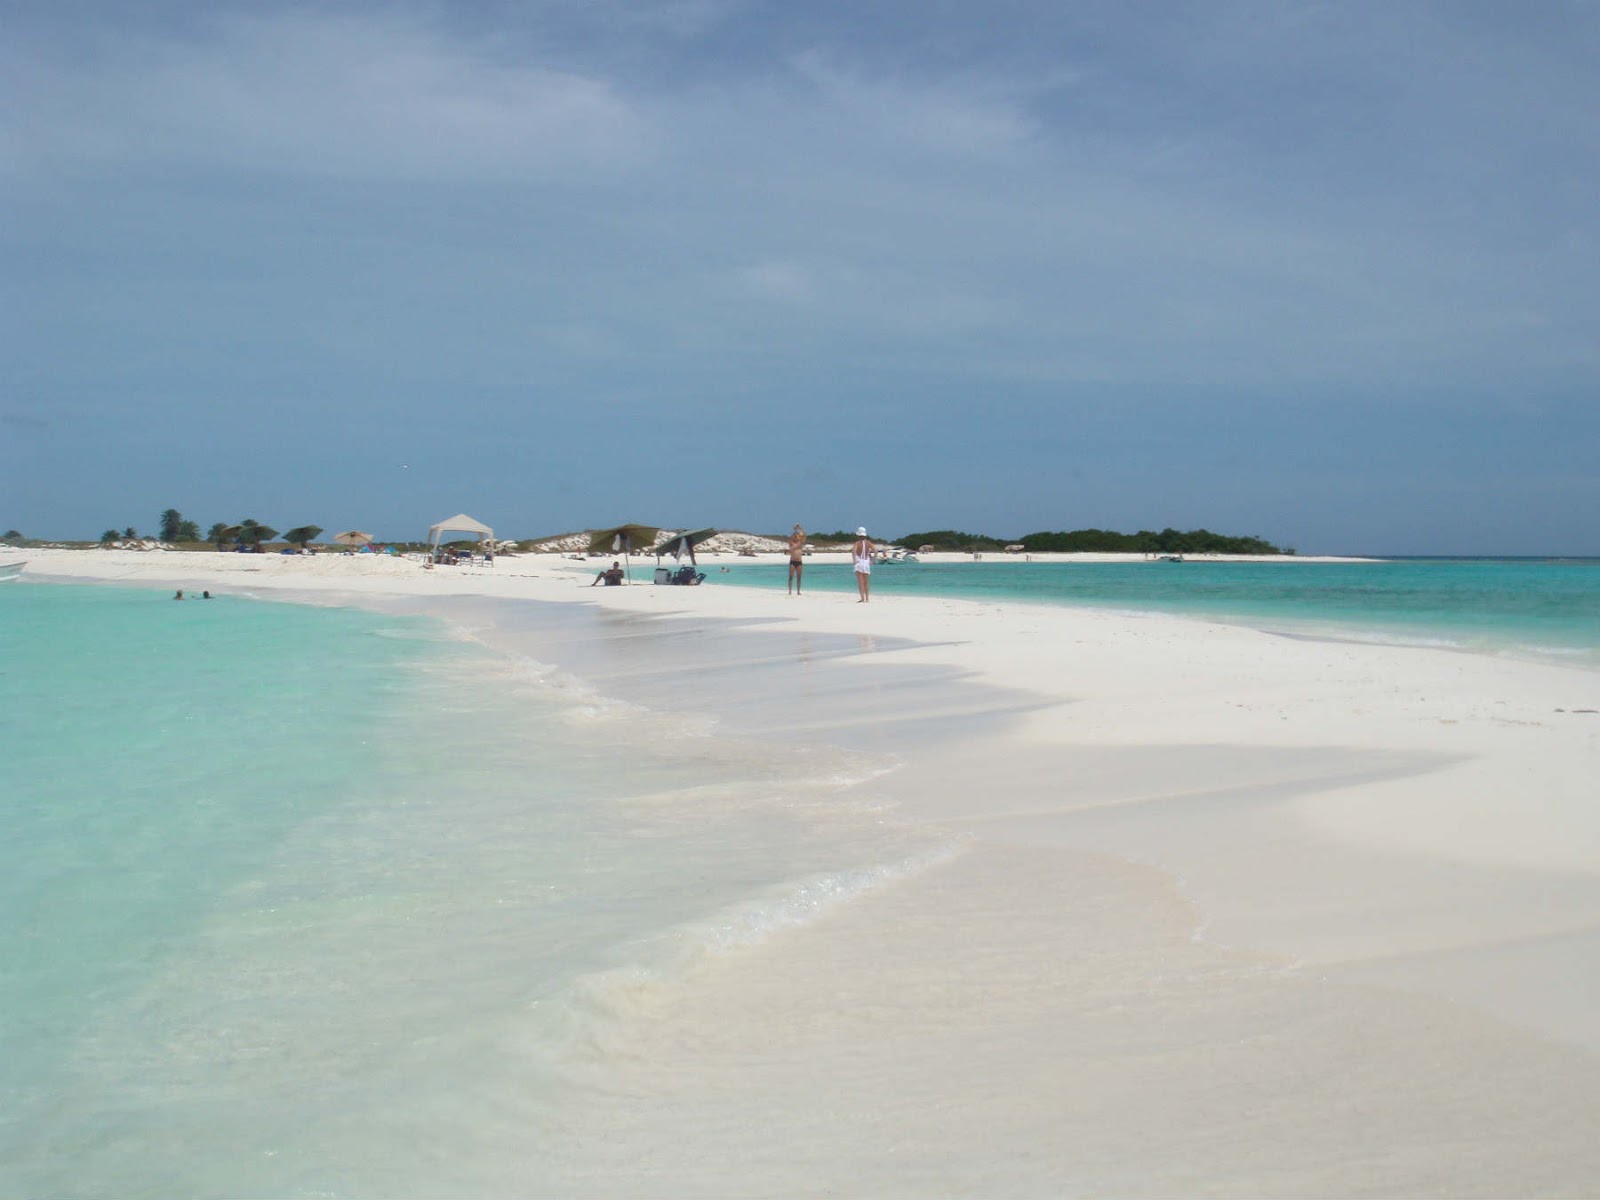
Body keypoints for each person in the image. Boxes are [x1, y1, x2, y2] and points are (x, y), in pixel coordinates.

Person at [851, 527, 873, 603]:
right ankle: (867, 598)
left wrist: (854, 560)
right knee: (866, 582)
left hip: (859, 562)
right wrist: (873, 560)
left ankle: (862, 598)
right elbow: (876, 551)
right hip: (866, 562)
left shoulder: (857, 543)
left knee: (860, 582)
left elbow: (853, 551)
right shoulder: (868, 543)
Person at [787, 524, 806, 594]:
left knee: (799, 577)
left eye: (797, 536)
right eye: (794, 536)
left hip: (799, 562)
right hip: (792, 561)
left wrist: (800, 528)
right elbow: (791, 537)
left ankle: (798, 591)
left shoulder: (800, 543)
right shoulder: (791, 543)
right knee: (791, 577)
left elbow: (804, 535)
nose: (795, 537)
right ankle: (790, 591)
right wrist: (795, 530)